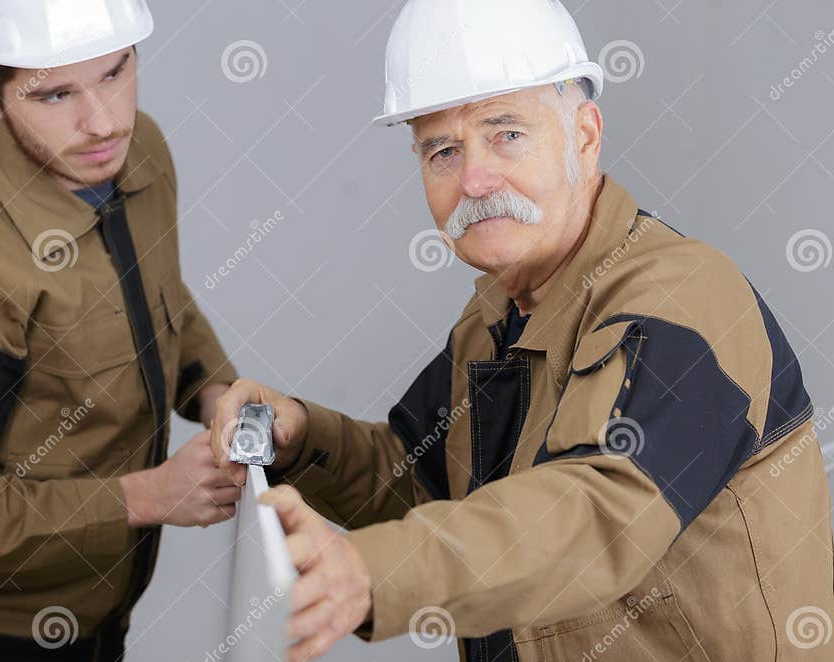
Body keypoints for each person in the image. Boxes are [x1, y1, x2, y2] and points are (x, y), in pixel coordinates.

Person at [210, 0, 834, 660]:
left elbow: (597, 510)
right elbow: (422, 483)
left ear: (586, 136)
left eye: (507, 134)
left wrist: (373, 572)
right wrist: (301, 438)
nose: (475, 179)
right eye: (443, 151)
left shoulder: (684, 296)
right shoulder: (493, 323)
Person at [0, 1, 239, 660]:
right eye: (55, 94)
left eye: (116, 73)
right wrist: (146, 497)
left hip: (96, 622)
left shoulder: (135, 152)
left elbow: (157, 297)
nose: (104, 121)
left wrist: (218, 393)